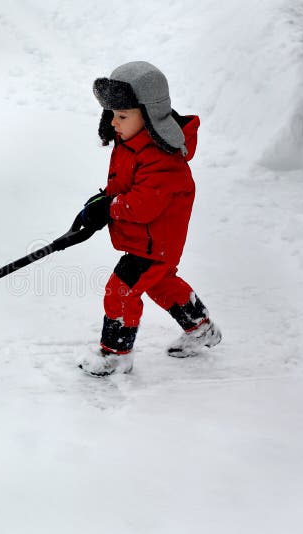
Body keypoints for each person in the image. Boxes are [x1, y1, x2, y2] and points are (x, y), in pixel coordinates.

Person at [75, 61, 221, 376]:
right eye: (111, 114)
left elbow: (143, 205)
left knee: (121, 290)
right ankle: (201, 328)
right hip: (151, 242)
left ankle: (115, 354)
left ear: (150, 115)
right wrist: (101, 199)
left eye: (123, 116)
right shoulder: (131, 144)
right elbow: (122, 186)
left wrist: (109, 208)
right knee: (161, 285)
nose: (114, 122)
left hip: (155, 244)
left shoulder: (162, 158)